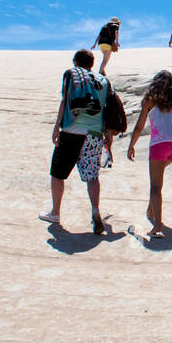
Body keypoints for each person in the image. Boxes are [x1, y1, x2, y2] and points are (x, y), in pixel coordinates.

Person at [40, 48, 113, 234]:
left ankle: (55, 212)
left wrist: (56, 126)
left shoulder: (72, 75)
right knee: (92, 177)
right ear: (92, 64)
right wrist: (108, 140)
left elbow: (65, 100)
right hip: (94, 134)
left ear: (75, 62)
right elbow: (107, 110)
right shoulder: (103, 80)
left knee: (58, 173)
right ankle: (95, 210)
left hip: (72, 131)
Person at [127, 70, 172, 239]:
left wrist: (131, 145)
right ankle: (151, 210)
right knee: (159, 177)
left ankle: (157, 226)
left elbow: (139, 126)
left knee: (155, 186)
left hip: (159, 144)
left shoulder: (150, 100)